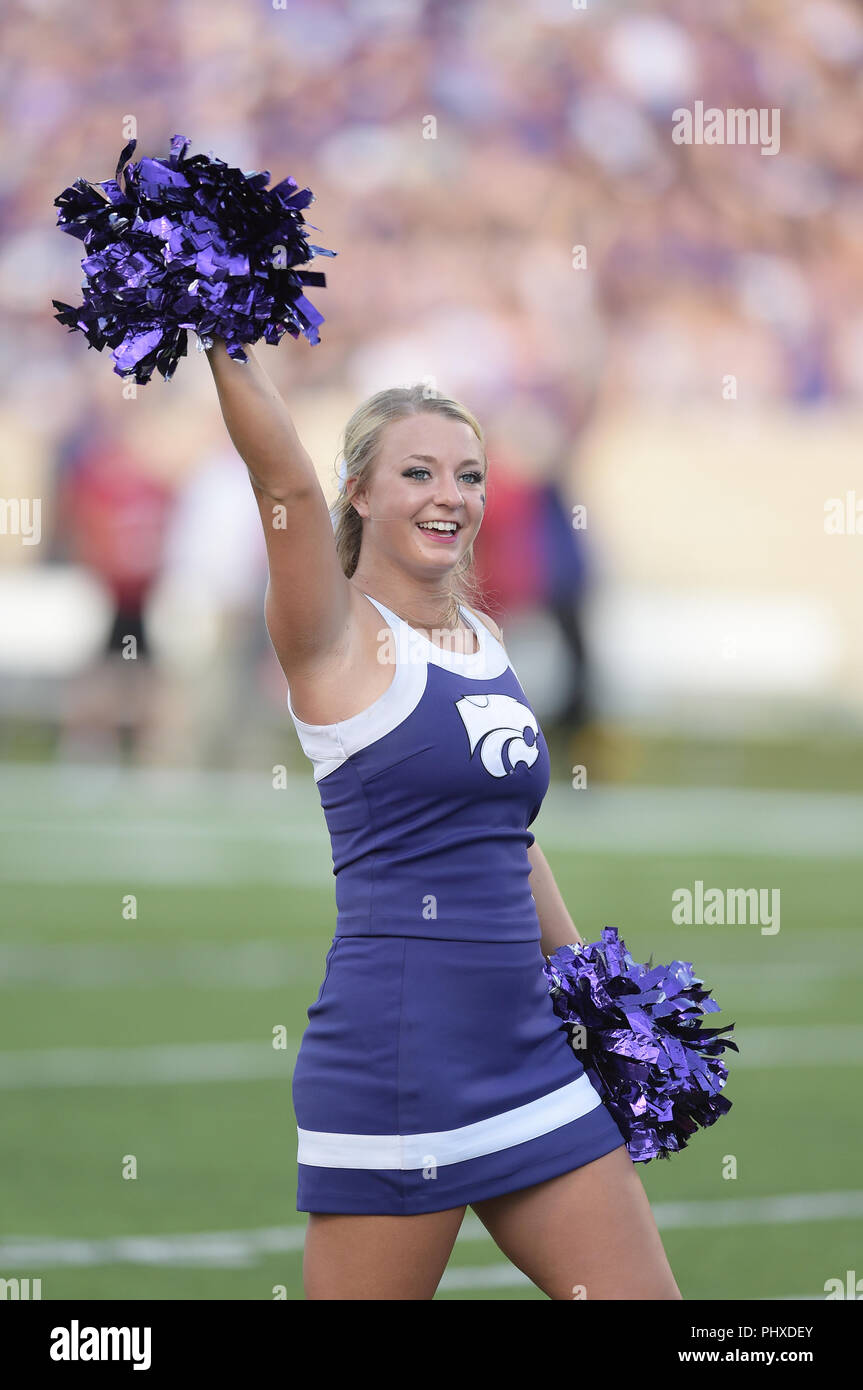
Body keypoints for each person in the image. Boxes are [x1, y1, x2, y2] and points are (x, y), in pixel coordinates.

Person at [205, 340, 681, 1301]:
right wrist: (222, 332)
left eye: (468, 475)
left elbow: (508, 837)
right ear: (358, 494)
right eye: (416, 473)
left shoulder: (482, 638)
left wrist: (595, 991)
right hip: (398, 1061)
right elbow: (280, 480)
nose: (449, 496)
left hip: (527, 1055)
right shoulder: (334, 638)